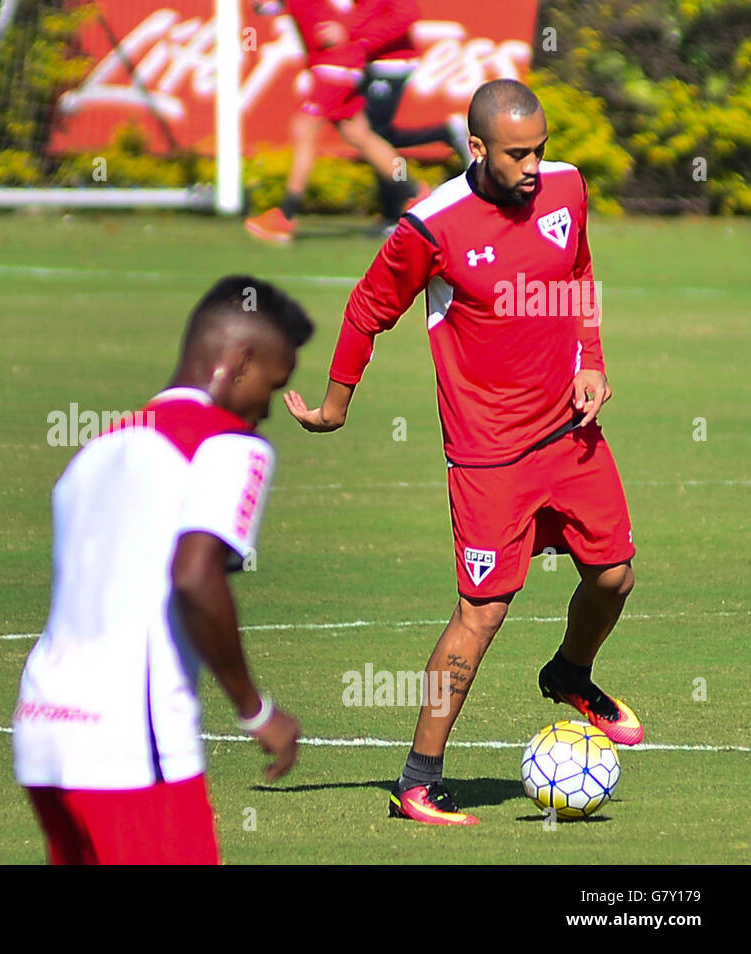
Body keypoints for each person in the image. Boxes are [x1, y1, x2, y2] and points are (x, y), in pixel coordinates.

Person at [284, 79, 643, 826]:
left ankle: (570, 673)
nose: (535, 165)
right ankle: (417, 781)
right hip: (489, 457)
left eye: (541, 148)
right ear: (476, 148)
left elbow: (577, 272)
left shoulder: (567, 190)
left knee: (613, 577)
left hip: (570, 433)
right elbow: (367, 308)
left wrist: (592, 359)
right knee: (482, 614)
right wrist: (336, 404)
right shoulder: (432, 226)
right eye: (518, 154)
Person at [13, 276, 312, 863]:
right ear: (239, 361)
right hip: (129, 737)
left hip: (43, 726)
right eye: (272, 384)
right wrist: (256, 709)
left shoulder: (96, 449)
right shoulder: (225, 445)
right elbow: (193, 575)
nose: (269, 408)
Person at [246, 0, 438, 243]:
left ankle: (285, 215)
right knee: (360, 135)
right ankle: (417, 192)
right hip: (345, 63)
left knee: (304, 129)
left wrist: (349, 30)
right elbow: (265, 8)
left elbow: (263, 6)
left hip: (333, 66)